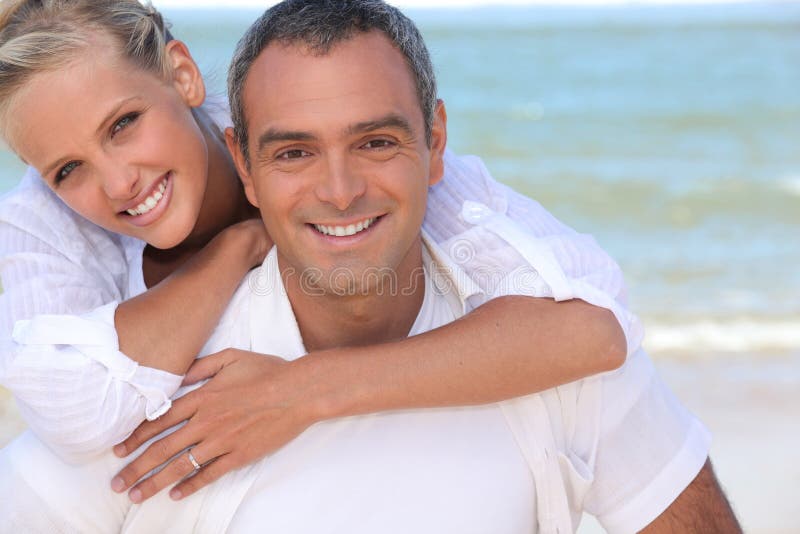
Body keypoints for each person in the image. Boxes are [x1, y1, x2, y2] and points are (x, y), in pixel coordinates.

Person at [0, 0, 636, 531]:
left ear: (183, 74)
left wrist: (298, 392)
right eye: (67, 169)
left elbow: (592, 325)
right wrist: (239, 247)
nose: (117, 183)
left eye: (125, 124)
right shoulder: (42, 222)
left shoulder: (307, 139)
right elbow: (73, 410)